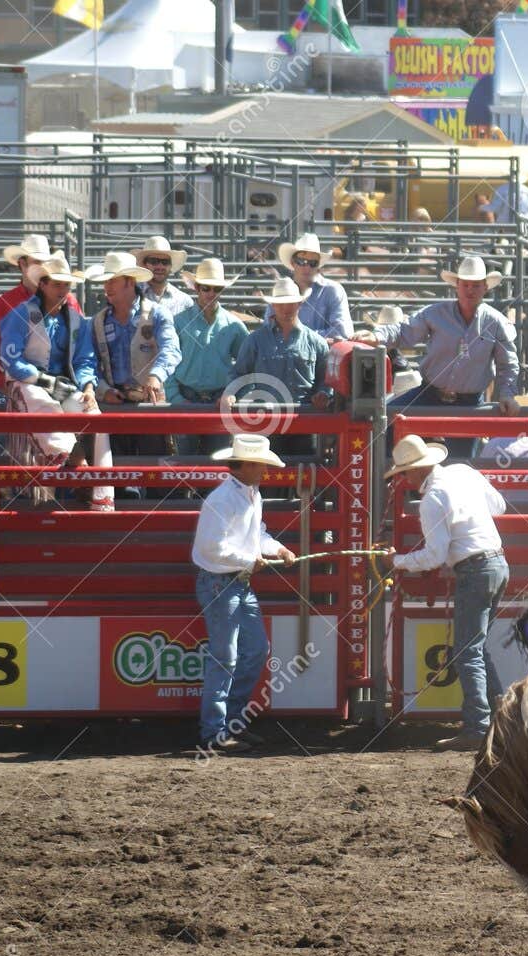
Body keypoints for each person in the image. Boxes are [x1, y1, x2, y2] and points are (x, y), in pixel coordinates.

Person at [384, 434, 509, 751]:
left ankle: (478, 728)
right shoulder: (464, 472)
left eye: (404, 473)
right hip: (497, 563)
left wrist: (396, 561)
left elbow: (435, 556)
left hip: (475, 570)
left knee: (467, 651)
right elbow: (500, 506)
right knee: (476, 649)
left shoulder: (432, 499)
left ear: (415, 471)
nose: (404, 479)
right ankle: (503, 722)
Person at [192, 434, 296, 754]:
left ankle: (228, 724)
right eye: (262, 465)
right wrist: (250, 559)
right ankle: (216, 730)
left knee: (252, 651)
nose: (266, 471)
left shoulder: (246, 494)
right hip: (222, 582)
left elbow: (255, 534)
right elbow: (212, 547)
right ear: (248, 465)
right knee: (229, 657)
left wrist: (275, 548)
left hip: (232, 582)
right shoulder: (224, 499)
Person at [360, 255, 518, 461]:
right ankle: (386, 481)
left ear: (485, 287)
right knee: (386, 423)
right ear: (457, 286)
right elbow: (404, 331)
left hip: (468, 403)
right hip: (429, 394)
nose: (470, 290)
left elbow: (508, 364)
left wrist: (507, 393)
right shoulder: (435, 313)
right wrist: (377, 335)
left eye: (476, 285)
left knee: (460, 463)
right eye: (466, 284)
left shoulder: (496, 322)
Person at [0, 253, 111, 510]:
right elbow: (9, 359)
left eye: (66, 285)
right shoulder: (21, 315)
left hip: (63, 386)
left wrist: (89, 388)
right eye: (57, 284)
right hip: (24, 384)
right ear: (43, 285)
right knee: (39, 401)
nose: (62, 290)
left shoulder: (77, 320)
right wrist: (42, 379)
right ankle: (69, 455)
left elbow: (84, 361)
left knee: (94, 414)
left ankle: (102, 494)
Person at [86, 251, 180, 483]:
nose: (106, 287)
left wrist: (156, 376)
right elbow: (88, 362)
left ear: (129, 281)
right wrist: (103, 388)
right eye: (106, 281)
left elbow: (171, 350)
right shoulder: (98, 321)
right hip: (113, 405)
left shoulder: (157, 314)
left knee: (156, 476)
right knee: (118, 476)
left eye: (111, 281)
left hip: (149, 405)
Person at [233, 279, 332, 458]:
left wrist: (324, 393)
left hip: (304, 420)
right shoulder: (255, 340)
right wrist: (237, 397)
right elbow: (240, 375)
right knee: (271, 475)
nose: (285, 308)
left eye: (290, 303)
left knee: (303, 474)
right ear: (273, 305)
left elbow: (326, 380)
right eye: (280, 304)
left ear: (300, 304)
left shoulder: (317, 343)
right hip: (267, 420)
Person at [170, 258, 248, 454]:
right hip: (186, 398)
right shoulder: (178, 322)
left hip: (218, 401)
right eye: (206, 288)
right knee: (186, 465)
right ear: (197, 288)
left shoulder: (235, 326)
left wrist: (231, 394)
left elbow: (246, 366)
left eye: (216, 289)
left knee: (216, 463)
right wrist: (177, 399)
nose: (211, 293)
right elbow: (167, 361)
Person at [0, 234, 73, 400]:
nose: (44, 267)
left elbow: (75, 345)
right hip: (13, 387)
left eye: (46, 262)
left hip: (59, 384)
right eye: (38, 262)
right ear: (22, 264)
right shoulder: (3, 304)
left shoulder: (69, 302)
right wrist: (3, 384)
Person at [270, 233, 352, 341]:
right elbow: (270, 331)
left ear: (318, 265)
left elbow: (342, 333)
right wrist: (316, 338)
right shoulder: (281, 290)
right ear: (292, 262)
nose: (307, 267)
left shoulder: (333, 290)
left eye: (312, 263)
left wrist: (296, 337)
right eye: (301, 261)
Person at [132, 235, 195, 318]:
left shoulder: (184, 301)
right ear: (145, 264)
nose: (160, 267)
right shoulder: (131, 296)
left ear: (170, 266)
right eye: (154, 261)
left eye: (165, 262)